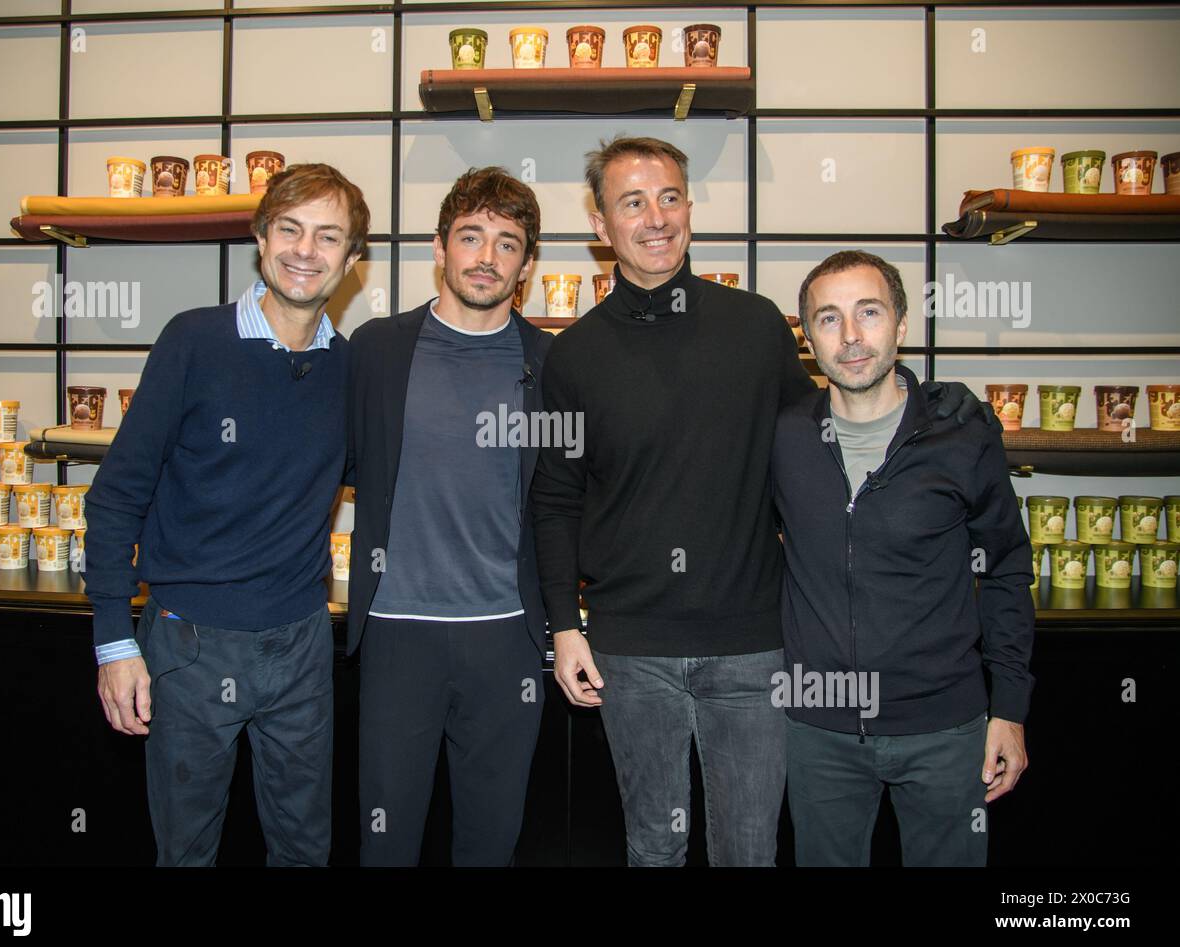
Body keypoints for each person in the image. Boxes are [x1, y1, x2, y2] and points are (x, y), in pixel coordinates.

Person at [532, 135, 988, 866]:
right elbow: (553, 500)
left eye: (671, 197)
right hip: (629, 650)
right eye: (633, 202)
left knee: (748, 852)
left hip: (754, 648)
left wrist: (940, 412)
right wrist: (563, 627)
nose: (656, 217)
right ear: (601, 226)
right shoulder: (573, 355)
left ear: (689, 208)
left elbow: (829, 435)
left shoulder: (755, 326)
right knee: (654, 848)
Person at [84, 162, 369, 866]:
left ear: (352, 260)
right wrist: (115, 644)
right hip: (188, 646)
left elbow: (384, 477)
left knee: (304, 849)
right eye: (291, 229)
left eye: (328, 237)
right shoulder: (194, 341)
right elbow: (116, 495)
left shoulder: (349, 369)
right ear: (261, 237)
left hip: (301, 645)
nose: (306, 250)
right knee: (186, 850)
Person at [772, 250, 1033, 866]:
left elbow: (1005, 567)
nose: (853, 336)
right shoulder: (785, 437)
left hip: (946, 727)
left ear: (902, 325)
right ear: (808, 338)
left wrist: (1011, 710)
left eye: (869, 312)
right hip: (819, 728)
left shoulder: (961, 432)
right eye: (829, 319)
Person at [346, 167, 553, 866]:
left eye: (507, 243)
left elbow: (565, 501)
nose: (486, 257)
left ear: (526, 265)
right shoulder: (376, 350)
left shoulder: (551, 364)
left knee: (491, 842)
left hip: (508, 639)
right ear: (440, 247)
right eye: (471, 236)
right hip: (396, 631)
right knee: (386, 839)